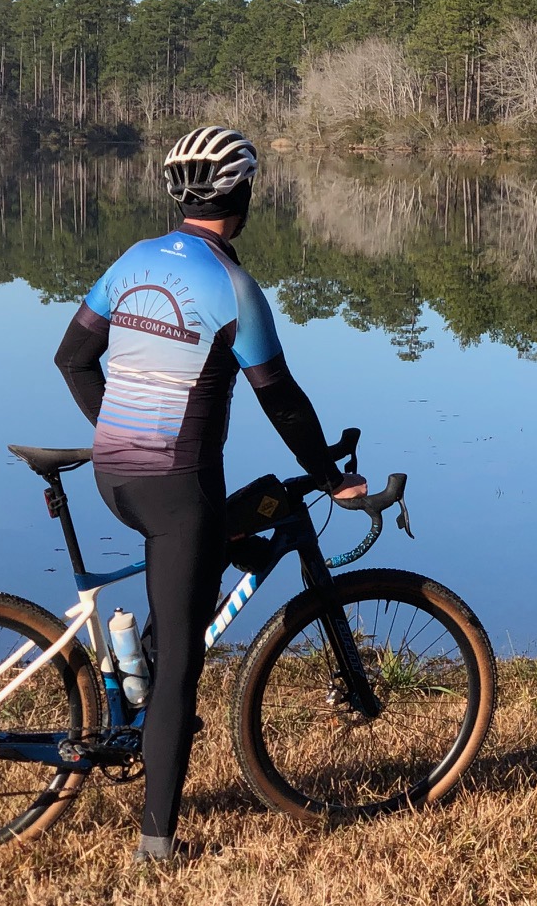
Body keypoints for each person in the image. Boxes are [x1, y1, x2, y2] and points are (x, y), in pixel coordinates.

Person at [51, 125, 363, 864]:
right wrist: (329, 475)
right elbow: (280, 398)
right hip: (175, 486)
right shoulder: (232, 287)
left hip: (114, 473)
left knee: (212, 547)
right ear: (244, 196)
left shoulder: (132, 260)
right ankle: (157, 844)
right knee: (183, 669)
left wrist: (118, 427)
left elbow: (72, 358)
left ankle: (146, 654)